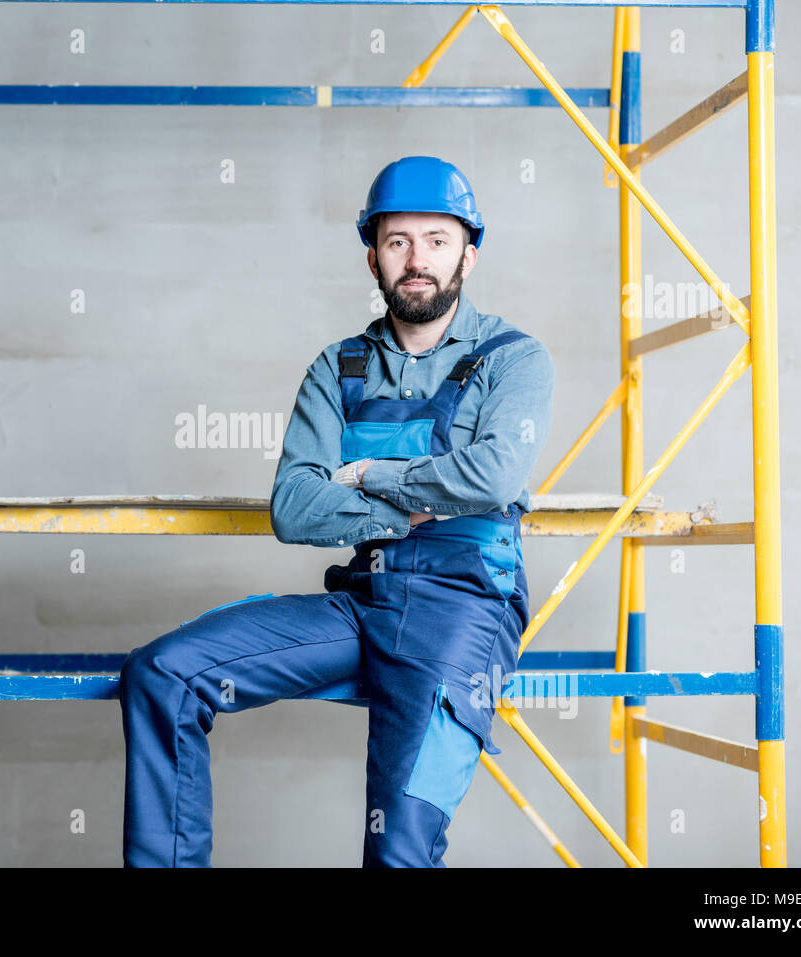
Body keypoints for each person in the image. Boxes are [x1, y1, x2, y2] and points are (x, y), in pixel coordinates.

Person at [119, 156, 556, 866]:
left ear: (468, 255)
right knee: (164, 674)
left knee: (400, 851)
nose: (417, 260)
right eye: (397, 241)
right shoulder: (339, 367)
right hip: (362, 599)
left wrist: (370, 474)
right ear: (372, 258)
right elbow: (293, 506)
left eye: (437, 241)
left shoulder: (514, 360)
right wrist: (401, 511)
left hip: (461, 609)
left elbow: (492, 476)